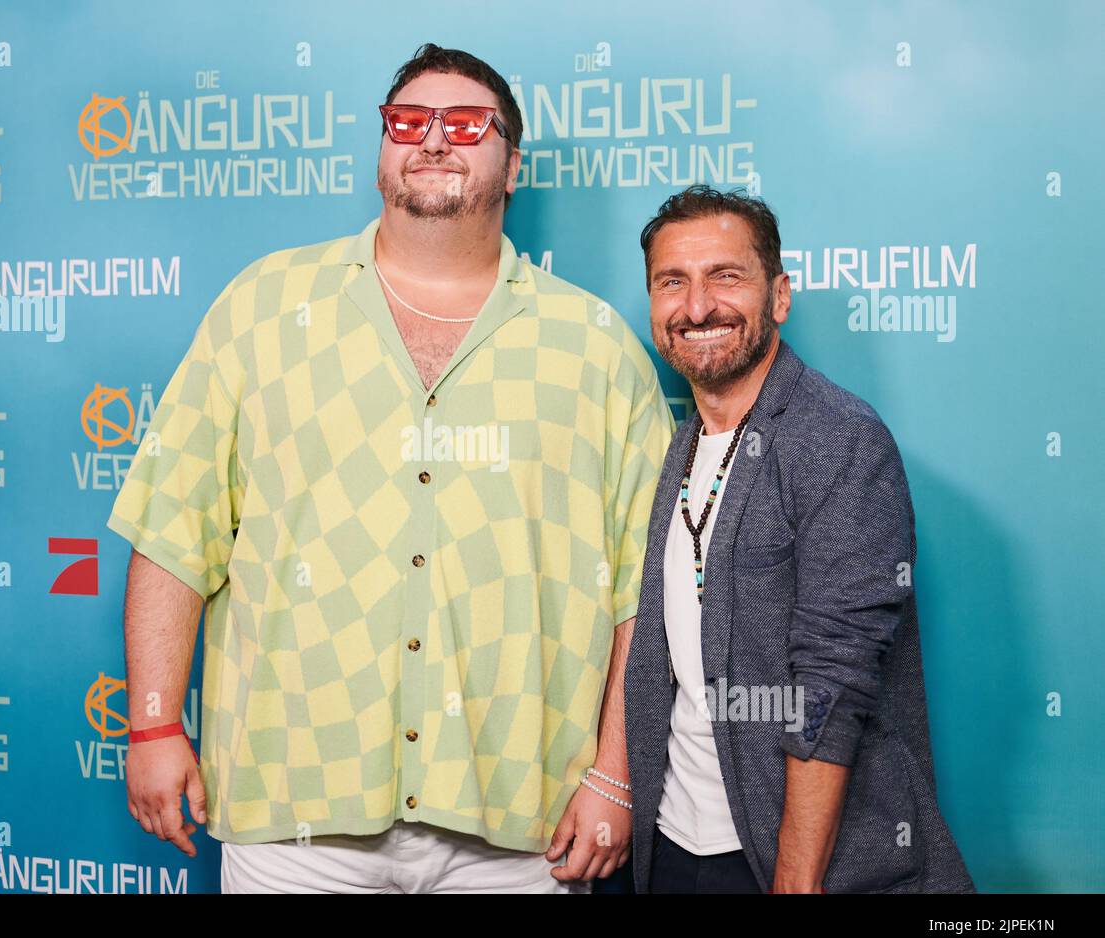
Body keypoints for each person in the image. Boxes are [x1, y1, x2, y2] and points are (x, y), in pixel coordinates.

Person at [106, 43, 673, 894]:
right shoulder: (262, 308)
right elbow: (172, 532)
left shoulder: (596, 349)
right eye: (409, 122)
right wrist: (152, 724)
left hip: (521, 831)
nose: (435, 140)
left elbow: (640, 593)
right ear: (381, 150)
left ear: (512, 163)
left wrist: (616, 774)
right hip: (295, 814)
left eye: (467, 124)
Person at [624, 184, 974, 893]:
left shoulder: (840, 438)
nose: (697, 307)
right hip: (672, 846)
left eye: (726, 276)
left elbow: (830, 684)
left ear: (779, 297)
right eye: (673, 282)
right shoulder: (680, 445)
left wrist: (795, 879)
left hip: (793, 861)